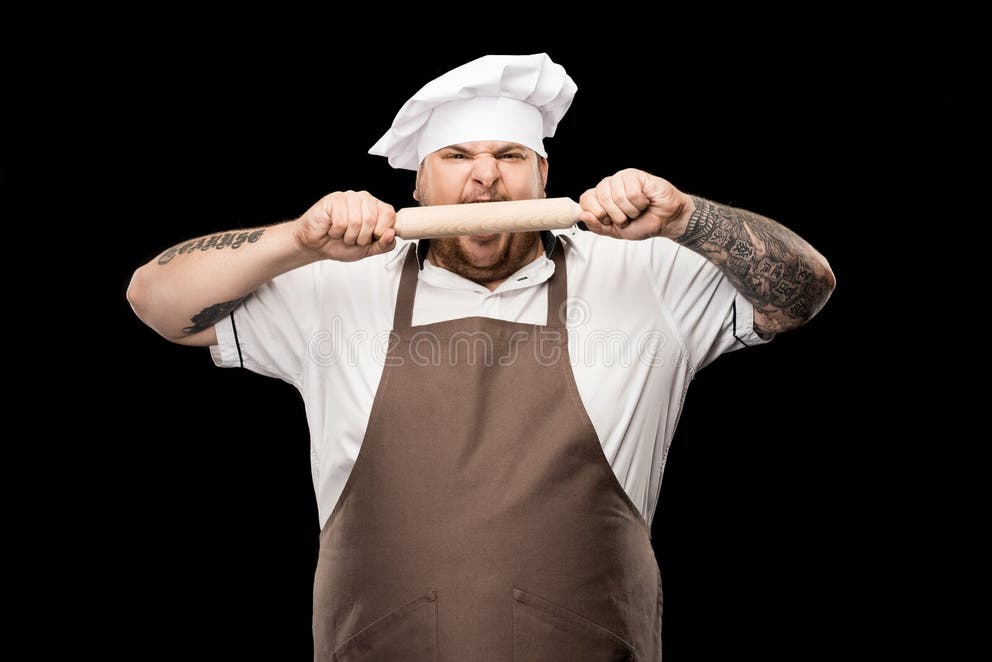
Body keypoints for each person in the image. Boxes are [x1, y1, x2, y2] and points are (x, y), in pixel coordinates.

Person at [127, 53, 834, 661]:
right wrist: (299, 242)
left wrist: (687, 218)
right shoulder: (333, 285)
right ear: (419, 185)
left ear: (544, 174)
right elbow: (155, 302)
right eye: (458, 157)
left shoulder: (646, 278)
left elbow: (804, 291)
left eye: (509, 156)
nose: (485, 178)